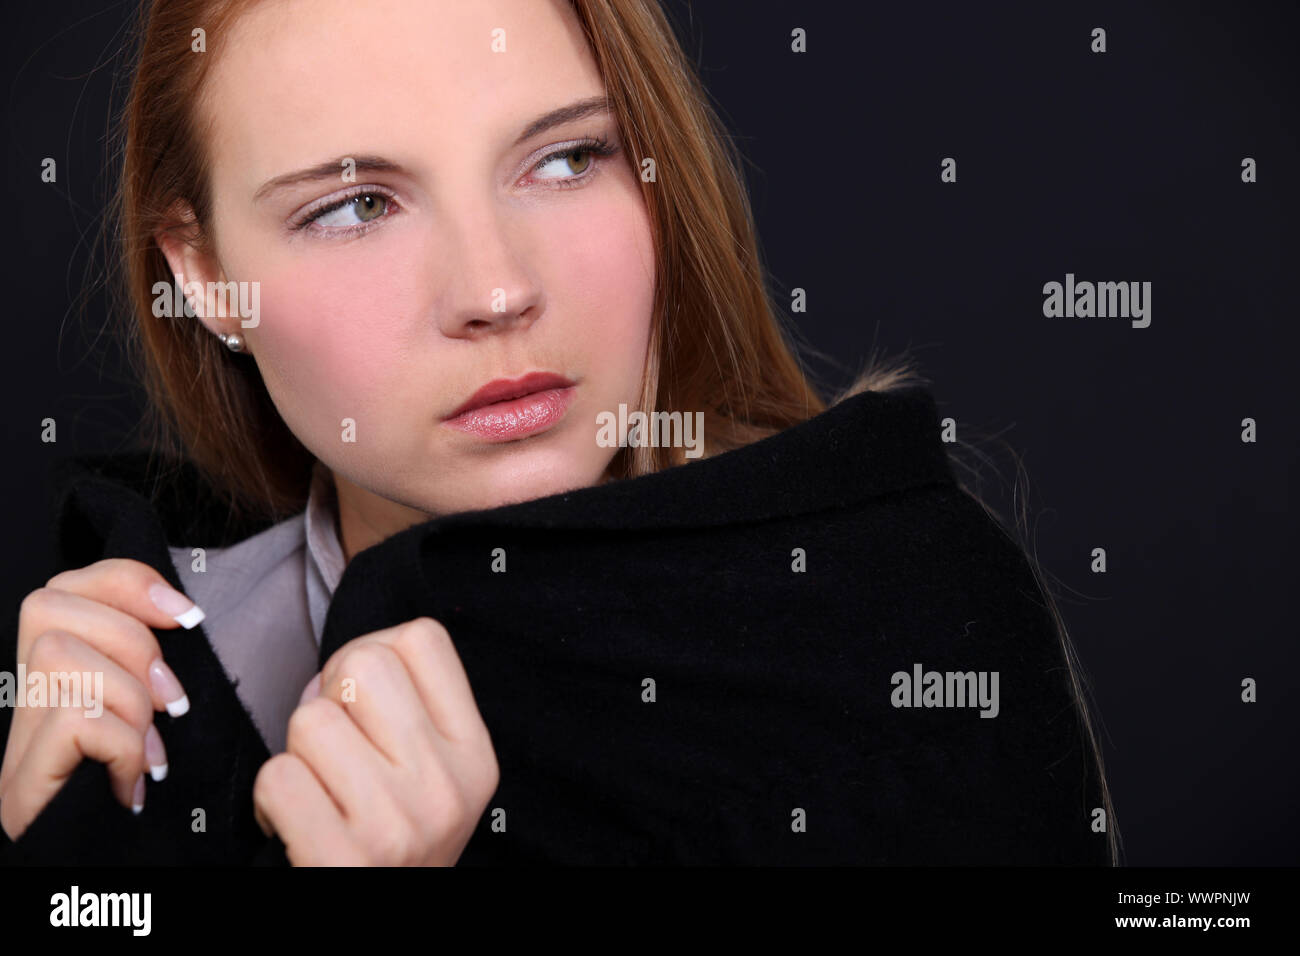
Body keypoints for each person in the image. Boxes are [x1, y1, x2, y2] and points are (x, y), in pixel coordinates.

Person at [0, 0, 1119, 865]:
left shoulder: (904, 614)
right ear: (202, 275)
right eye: (354, 205)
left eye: (565, 157)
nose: (494, 290)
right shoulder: (124, 689)